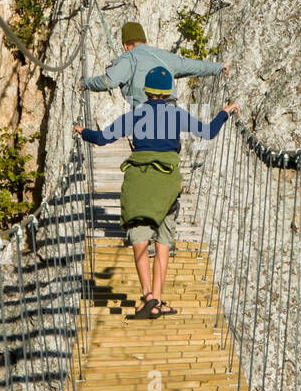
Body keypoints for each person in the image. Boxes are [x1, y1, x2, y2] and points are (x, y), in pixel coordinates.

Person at [74, 66, 239, 319]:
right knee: (163, 241)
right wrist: (224, 113)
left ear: (147, 91)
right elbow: (208, 132)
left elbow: (101, 139)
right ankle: (158, 300)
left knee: (139, 239)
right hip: (167, 184)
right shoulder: (175, 114)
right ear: (168, 92)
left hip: (138, 183)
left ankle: (147, 296)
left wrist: (82, 131)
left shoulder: (136, 114)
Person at [81, 20, 228, 108]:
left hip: (144, 117)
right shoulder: (164, 56)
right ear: (146, 42)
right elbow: (193, 66)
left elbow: (109, 81)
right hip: (170, 115)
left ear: (125, 45)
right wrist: (218, 67)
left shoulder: (129, 58)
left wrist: (86, 83)